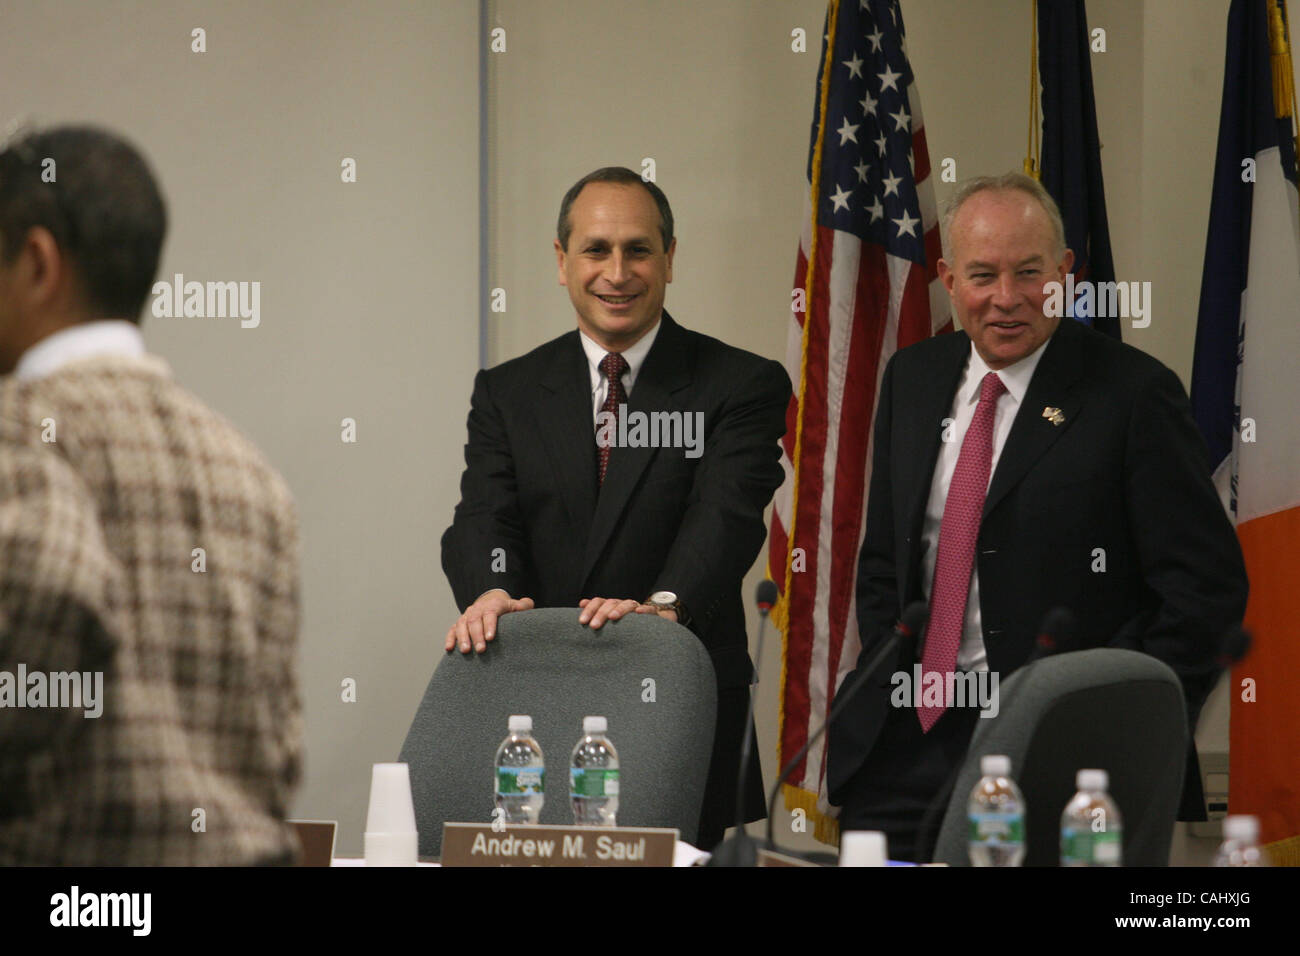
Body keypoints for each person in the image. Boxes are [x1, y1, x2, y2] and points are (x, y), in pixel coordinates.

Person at [826, 172, 1248, 862]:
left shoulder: (1133, 395)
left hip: (1063, 743)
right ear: (949, 279)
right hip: (905, 743)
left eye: (1029, 273)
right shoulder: (912, 377)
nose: (1007, 299)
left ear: (1064, 273)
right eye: (983, 275)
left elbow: (1205, 591)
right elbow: (885, 563)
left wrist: (1119, 718)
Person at [441, 167, 790, 849]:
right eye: (597, 250)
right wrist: (492, 588)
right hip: (537, 697)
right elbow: (484, 515)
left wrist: (662, 607)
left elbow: (725, 515)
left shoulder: (740, 383)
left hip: (676, 700)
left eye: (639, 249)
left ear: (670, 259)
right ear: (562, 262)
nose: (618, 272)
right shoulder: (508, 391)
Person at [0, 125, 302, 864]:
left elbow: (49, 583)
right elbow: (280, 745)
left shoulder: (16, 424)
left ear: (38, 263)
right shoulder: (249, 472)